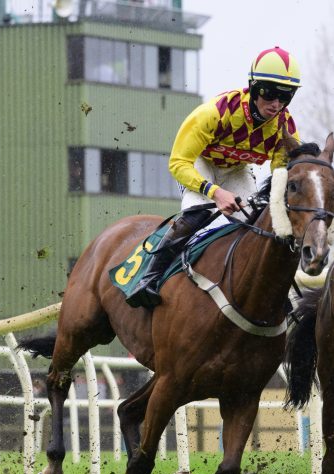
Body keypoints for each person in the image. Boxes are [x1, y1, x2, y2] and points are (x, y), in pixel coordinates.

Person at [125, 46, 302, 308]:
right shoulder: (215, 113)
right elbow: (178, 163)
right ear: (254, 87)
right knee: (198, 214)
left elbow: (281, 176)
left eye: (285, 96)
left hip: (236, 170)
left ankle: (273, 292)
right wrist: (215, 192)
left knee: (258, 223)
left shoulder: (285, 129)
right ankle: (149, 276)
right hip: (200, 163)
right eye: (270, 93)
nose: (276, 104)